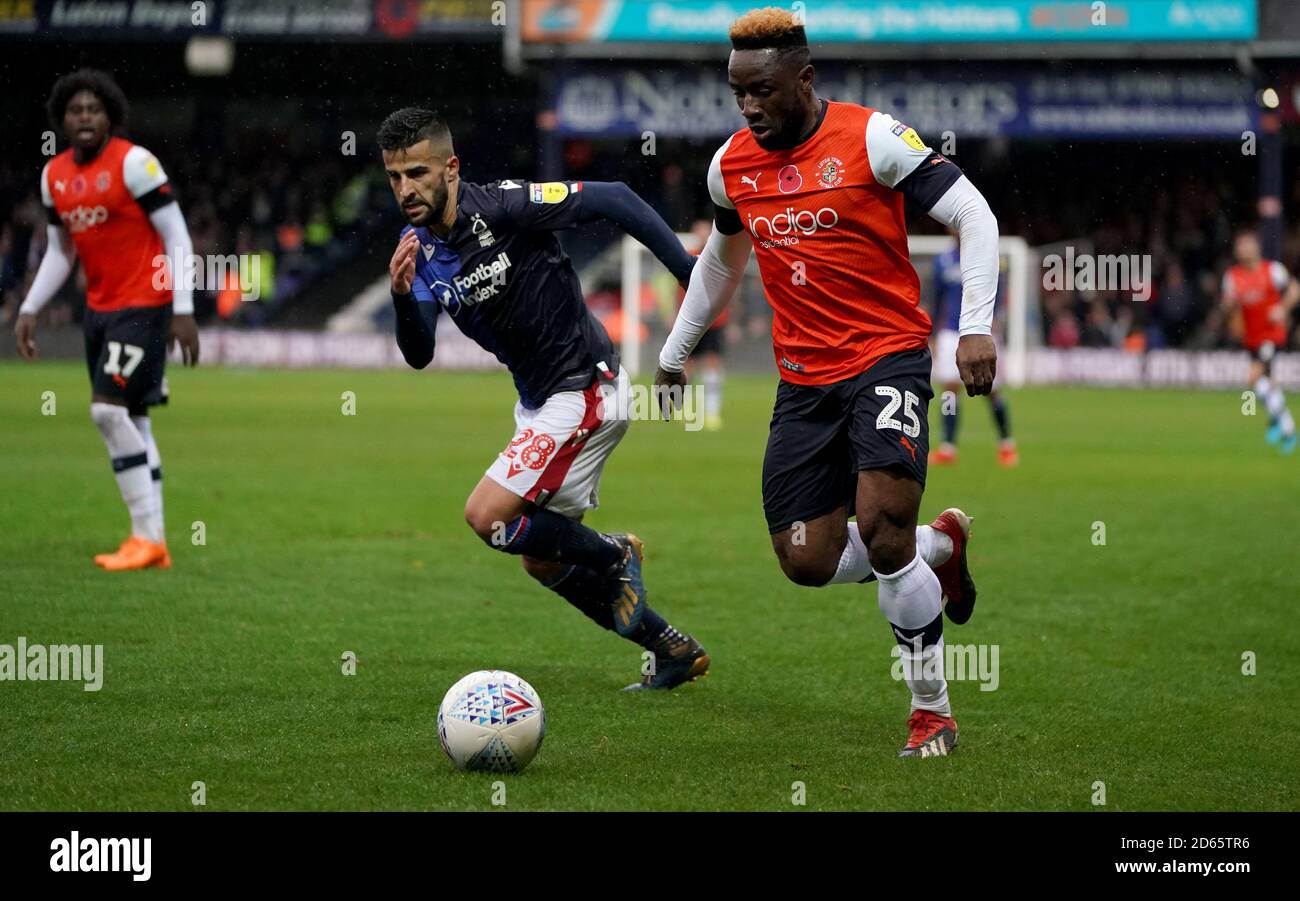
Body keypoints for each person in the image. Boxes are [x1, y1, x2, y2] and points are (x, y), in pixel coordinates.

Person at [655, 8, 1000, 756]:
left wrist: (975, 323)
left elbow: (973, 213)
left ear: (804, 80)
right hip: (804, 381)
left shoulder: (873, 138)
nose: (749, 107)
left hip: (886, 357)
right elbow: (722, 260)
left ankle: (930, 711)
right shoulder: (732, 165)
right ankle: (941, 547)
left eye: (763, 91)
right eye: (737, 94)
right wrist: (674, 353)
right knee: (804, 558)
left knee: (880, 534)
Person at [378, 107, 709, 690]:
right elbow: (420, 352)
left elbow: (615, 197)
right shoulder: (419, 253)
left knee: (486, 516)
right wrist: (404, 296)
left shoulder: (505, 205)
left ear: (451, 169)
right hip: (540, 404)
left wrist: (689, 274)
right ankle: (670, 648)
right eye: (396, 177)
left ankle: (614, 555)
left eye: (419, 173)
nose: (407, 189)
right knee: (540, 555)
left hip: (584, 388)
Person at [14, 68, 200, 570]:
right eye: (76, 110)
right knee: (134, 418)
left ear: (111, 115)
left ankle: (144, 536)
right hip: (100, 310)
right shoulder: (54, 177)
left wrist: (182, 310)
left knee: (106, 411)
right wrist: (29, 307)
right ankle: (155, 542)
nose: (86, 117)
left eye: (95, 109)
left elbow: (177, 237)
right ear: (62, 119)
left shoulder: (135, 163)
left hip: (145, 304)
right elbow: (60, 252)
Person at [928, 232, 1018, 466]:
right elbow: (936, 299)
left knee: (991, 390)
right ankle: (948, 446)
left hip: (980, 331)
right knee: (949, 391)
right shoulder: (942, 260)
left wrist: (995, 318)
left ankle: (1006, 443)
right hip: (950, 331)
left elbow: (998, 292)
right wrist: (934, 334)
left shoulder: (987, 257)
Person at [1220, 229, 1298, 454]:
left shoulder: (1272, 270)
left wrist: (1282, 309)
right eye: (1240, 245)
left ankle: (1289, 429)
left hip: (1272, 336)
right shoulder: (1232, 277)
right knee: (1267, 383)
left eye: (1247, 244)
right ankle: (1275, 418)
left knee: (1252, 377)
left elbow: (1294, 289)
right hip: (1251, 338)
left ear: (1256, 247)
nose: (1243, 249)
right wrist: (1229, 311)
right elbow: (1228, 308)